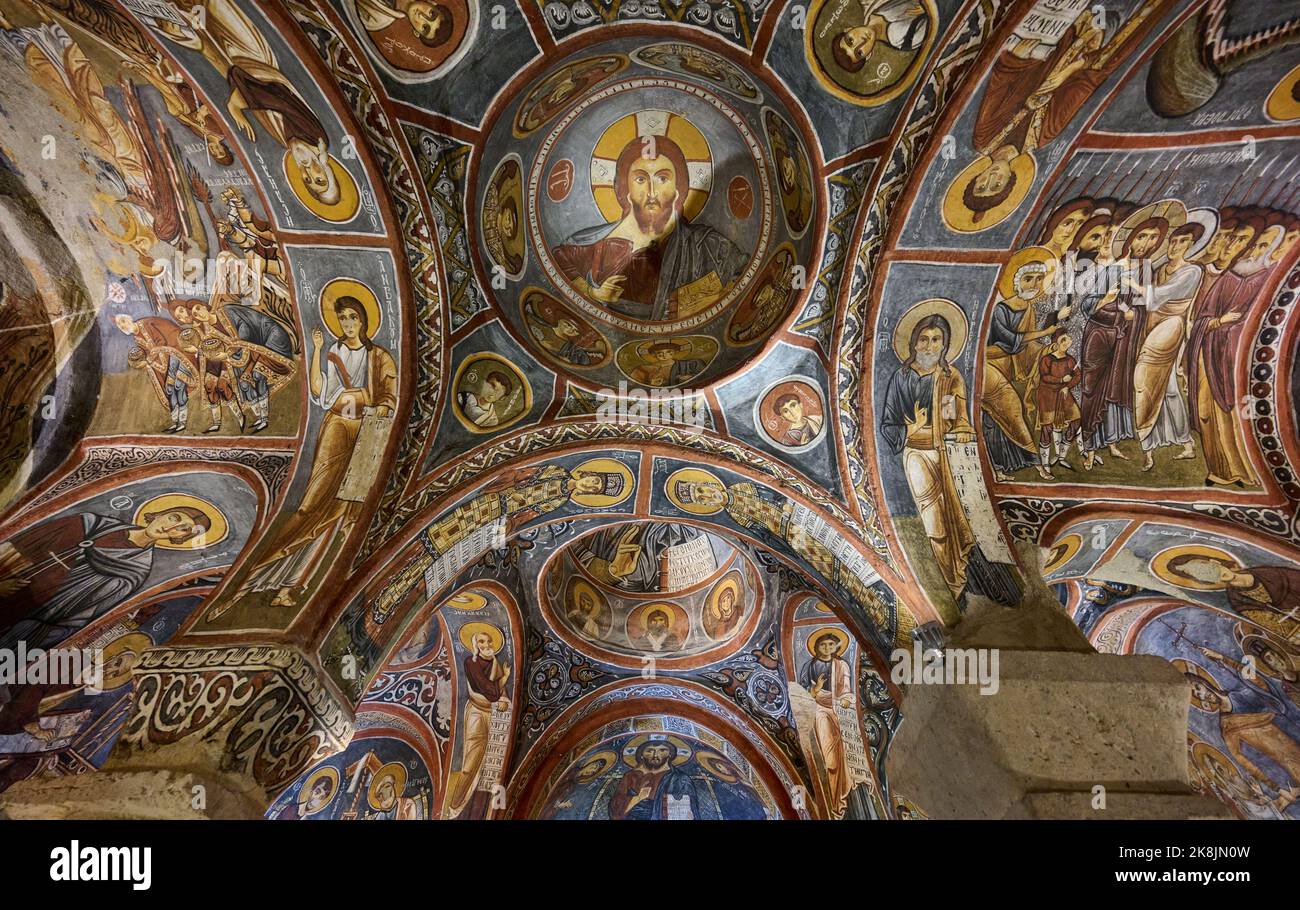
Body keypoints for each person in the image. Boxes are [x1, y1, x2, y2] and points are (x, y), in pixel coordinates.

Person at [238, 295, 396, 607]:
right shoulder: (335, 351)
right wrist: (318, 351)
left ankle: (302, 581)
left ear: (364, 320)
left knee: (349, 504)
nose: (348, 324)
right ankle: (268, 566)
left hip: (366, 433)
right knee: (314, 500)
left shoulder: (378, 356)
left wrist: (378, 405)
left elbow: (390, 395)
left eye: (353, 317)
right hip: (337, 427)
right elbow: (321, 394)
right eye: (343, 318)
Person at [553, 135, 746, 321]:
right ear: (625, 188)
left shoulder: (706, 245)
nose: (652, 192)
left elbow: (744, 277)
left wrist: (714, 298)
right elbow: (559, 263)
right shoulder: (596, 244)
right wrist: (590, 291)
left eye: (662, 179)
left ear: (678, 188)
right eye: (640, 179)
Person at [0, 507, 209, 650]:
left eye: (183, 529)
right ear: (161, 513)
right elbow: (19, 547)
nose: (170, 528)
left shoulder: (136, 572)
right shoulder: (91, 524)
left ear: (180, 538)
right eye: (174, 518)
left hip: (43, 615)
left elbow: (89, 612)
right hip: (15, 590)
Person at [879, 314, 976, 599]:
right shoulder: (902, 377)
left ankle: (957, 571)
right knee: (932, 517)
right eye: (924, 339)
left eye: (936, 340)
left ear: (945, 344)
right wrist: (913, 427)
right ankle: (945, 580)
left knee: (953, 515)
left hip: (945, 453)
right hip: (916, 454)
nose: (929, 346)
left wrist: (959, 427)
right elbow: (888, 424)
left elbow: (954, 415)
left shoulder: (949, 376)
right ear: (913, 342)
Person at [1185, 218, 1264, 487]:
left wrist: (1232, 328)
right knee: (1207, 411)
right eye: (1235, 238)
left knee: (1233, 416)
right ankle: (1219, 470)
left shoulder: (1264, 279)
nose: (1236, 244)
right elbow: (1203, 318)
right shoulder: (1228, 277)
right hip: (1208, 353)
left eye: (1245, 240)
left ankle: (1244, 471)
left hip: (1232, 360)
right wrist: (1218, 323)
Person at [445, 626, 510, 817]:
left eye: (489, 641)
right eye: (482, 641)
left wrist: (504, 698)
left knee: (494, 763)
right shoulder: (470, 663)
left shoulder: (496, 663)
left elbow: (500, 694)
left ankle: (487, 808)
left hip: (494, 714)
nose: (487, 645)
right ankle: (454, 807)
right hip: (476, 713)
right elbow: (489, 691)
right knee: (469, 765)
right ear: (475, 644)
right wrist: (504, 678)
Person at [797, 631, 856, 818]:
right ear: (816, 647)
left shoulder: (842, 665)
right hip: (819, 708)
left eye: (831, 644)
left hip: (838, 707)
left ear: (837, 646)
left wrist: (845, 700)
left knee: (842, 754)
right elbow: (802, 695)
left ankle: (840, 795)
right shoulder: (809, 666)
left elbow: (846, 688)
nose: (827, 648)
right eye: (823, 645)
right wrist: (815, 690)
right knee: (828, 751)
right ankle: (830, 787)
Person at [1030, 329, 1080, 479]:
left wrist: (1067, 386)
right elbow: (1044, 377)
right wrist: (1060, 380)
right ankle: (1045, 465)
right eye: (1063, 340)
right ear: (1057, 343)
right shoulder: (1047, 359)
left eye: (1068, 340)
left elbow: (1078, 375)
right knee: (1047, 428)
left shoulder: (1070, 360)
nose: (1066, 343)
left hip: (1063, 394)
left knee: (1076, 420)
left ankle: (1061, 455)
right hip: (1047, 396)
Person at [608, 739, 699, 819]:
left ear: (670, 754)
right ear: (641, 755)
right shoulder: (630, 776)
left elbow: (689, 810)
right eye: (649, 751)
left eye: (662, 750)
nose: (655, 755)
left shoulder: (680, 779)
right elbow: (615, 809)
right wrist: (638, 798)